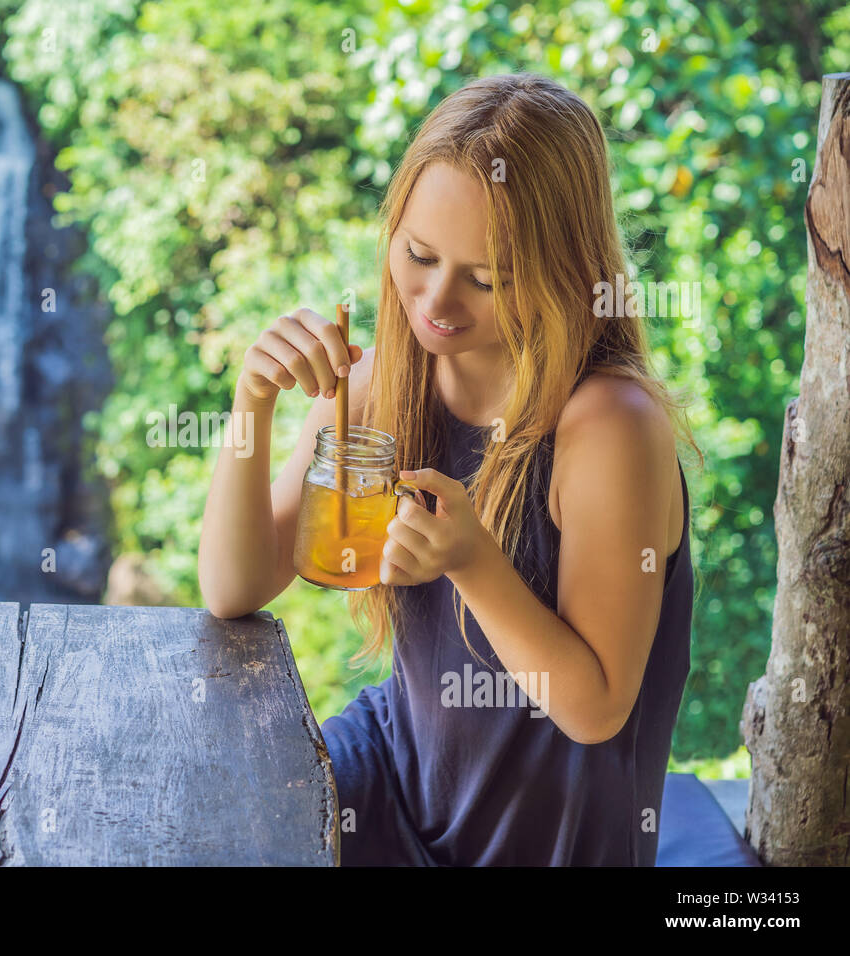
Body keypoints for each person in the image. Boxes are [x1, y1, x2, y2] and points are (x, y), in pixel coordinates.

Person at [198, 72, 703, 865]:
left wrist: (474, 563)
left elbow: (597, 706)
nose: (437, 300)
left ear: (564, 270)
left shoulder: (607, 428)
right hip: (395, 783)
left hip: (549, 845)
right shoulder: (376, 389)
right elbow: (234, 587)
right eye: (420, 255)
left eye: (487, 278)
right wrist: (250, 403)